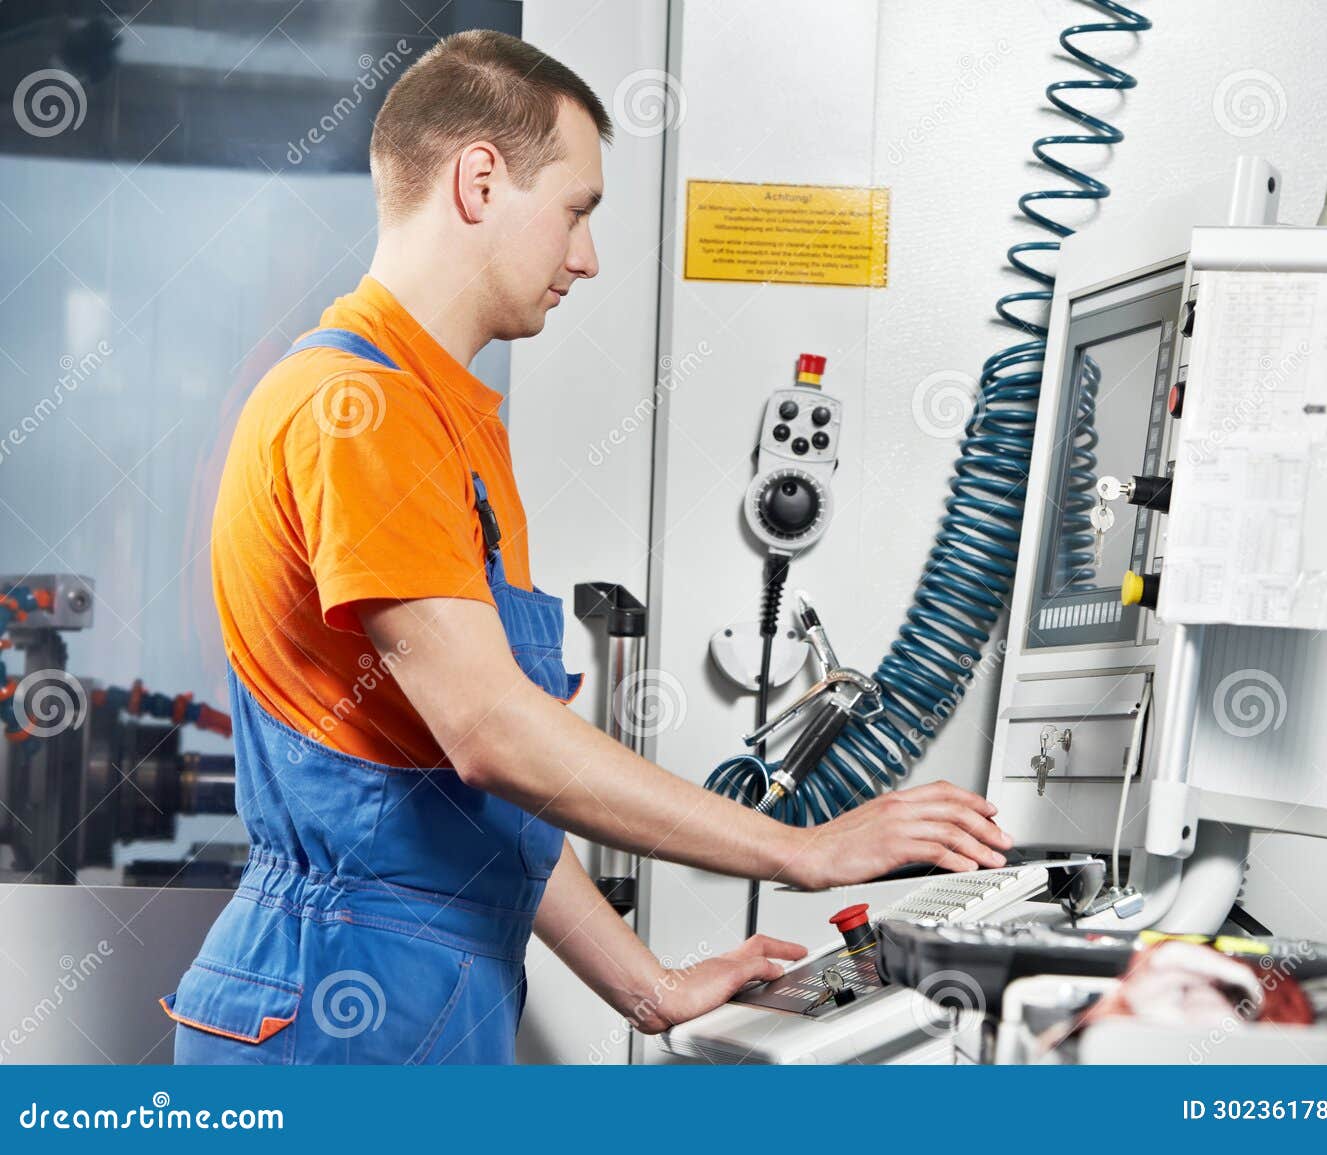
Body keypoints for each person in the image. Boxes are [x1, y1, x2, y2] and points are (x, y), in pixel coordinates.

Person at [161, 30, 1011, 1064]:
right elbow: (492, 730)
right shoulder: (362, 410)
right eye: (575, 211)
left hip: (416, 980)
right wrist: (804, 850)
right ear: (479, 181)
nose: (587, 258)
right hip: (341, 994)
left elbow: (472, 792)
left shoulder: (445, 418)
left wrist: (645, 987)